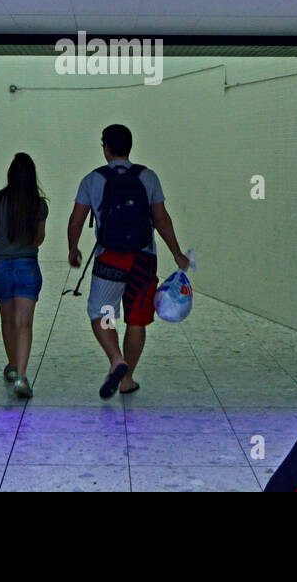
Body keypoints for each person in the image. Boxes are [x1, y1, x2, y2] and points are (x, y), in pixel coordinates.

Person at [67, 124, 189, 399]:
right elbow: (161, 219)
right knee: (137, 319)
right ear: (129, 147)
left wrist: (73, 249)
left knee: (102, 313)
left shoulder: (92, 179)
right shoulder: (148, 177)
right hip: (144, 257)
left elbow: (76, 221)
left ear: (106, 148)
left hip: (110, 256)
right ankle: (127, 379)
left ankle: (115, 358)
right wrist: (177, 253)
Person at [0, 152, 49, 399]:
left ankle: (11, 366)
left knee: (7, 321)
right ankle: (21, 376)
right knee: (25, 323)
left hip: (1, 267)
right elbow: (39, 239)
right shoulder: (39, 205)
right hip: (27, 266)